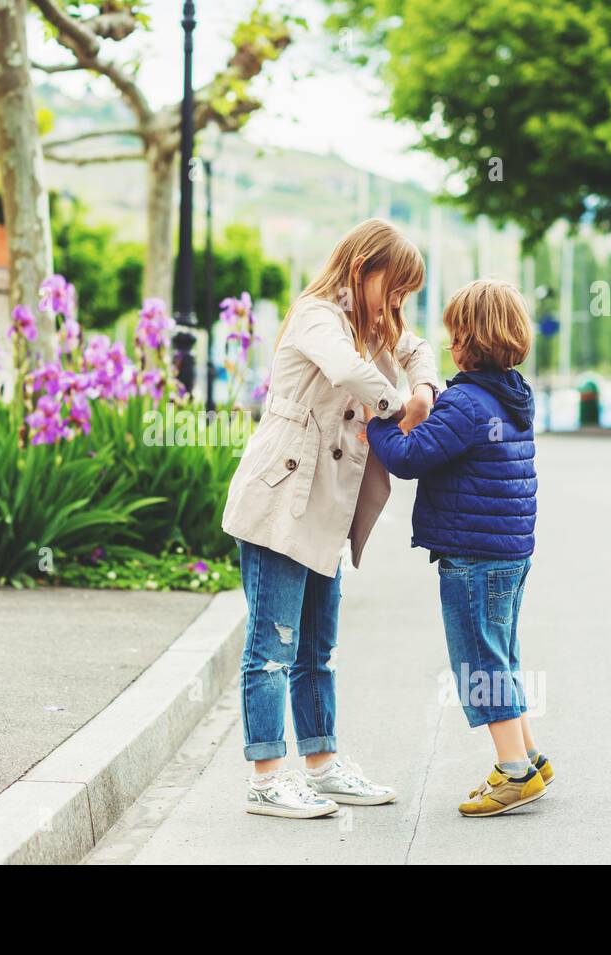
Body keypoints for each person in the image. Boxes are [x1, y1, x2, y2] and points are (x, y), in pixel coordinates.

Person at [221, 218, 439, 818]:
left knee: (318, 647)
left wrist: (423, 384)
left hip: (325, 510)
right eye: (393, 288)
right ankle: (267, 777)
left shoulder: (372, 327)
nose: (397, 304)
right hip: (280, 502)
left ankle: (321, 765)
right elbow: (346, 372)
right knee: (273, 645)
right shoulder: (318, 314)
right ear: (364, 266)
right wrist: (401, 408)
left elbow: (416, 349)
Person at [366, 279, 554, 818]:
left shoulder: (468, 403)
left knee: (479, 663)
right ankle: (529, 756)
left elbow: (406, 457)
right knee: (501, 655)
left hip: (474, 557)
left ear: (470, 339)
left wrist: (377, 421)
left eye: (454, 334)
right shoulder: (512, 393)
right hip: (509, 552)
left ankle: (515, 773)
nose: (450, 344)